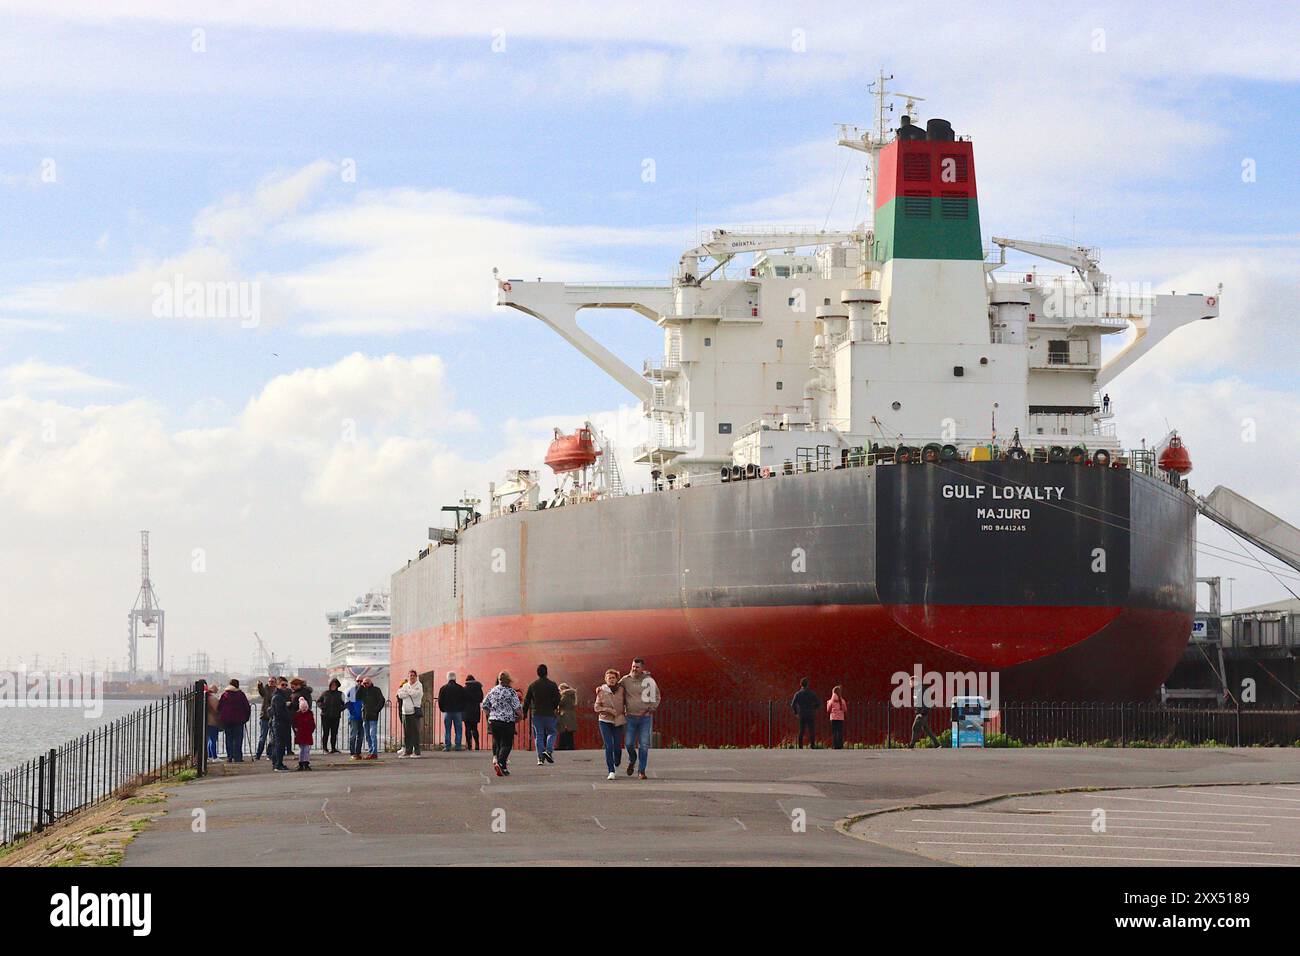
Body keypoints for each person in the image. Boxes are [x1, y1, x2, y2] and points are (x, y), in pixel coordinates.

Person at [618, 658, 659, 779]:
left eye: (637, 667)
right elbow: (615, 688)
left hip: (645, 718)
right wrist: (602, 688)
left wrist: (652, 707)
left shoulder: (649, 681)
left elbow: (656, 696)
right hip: (630, 717)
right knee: (629, 744)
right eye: (633, 666)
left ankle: (641, 771)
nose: (634, 669)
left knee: (644, 745)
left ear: (642, 668)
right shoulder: (626, 680)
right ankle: (632, 759)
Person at [481, 671, 523, 776]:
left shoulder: (493, 690)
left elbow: (484, 705)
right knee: (506, 744)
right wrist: (520, 717)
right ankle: (500, 762)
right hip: (507, 721)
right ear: (508, 680)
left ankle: (503, 767)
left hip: (494, 720)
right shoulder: (511, 692)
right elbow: (517, 708)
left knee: (498, 741)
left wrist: (490, 715)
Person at [522, 664, 561, 765]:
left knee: (539, 735)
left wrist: (524, 713)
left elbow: (526, 700)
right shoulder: (552, 685)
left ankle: (540, 759)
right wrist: (553, 707)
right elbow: (558, 698)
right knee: (552, 732)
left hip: (536, 714)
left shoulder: (533, 685)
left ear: (537, 673)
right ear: (546, 672)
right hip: (549, 713)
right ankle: (548, 751)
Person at [594, 670, 626, 780]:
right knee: (609, 745)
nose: (611, 680)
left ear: (617, 679)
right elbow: (596, 707)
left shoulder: (622, 689)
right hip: (604, 721)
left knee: (617, 745)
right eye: (609, 678)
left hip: (618, 720)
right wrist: (608, 710)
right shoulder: (601, 691)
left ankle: (617, 761)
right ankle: (611, 770)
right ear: (605, 679)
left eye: (613, 678)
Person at [217, 678, 252, 762]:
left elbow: (219, 707)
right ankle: (238, 757)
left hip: (227, 720)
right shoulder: (241, 695)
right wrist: (246, 718)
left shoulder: (225, 694)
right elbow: (247, 707)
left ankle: (230, 756)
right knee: (238, 739)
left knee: (228, 738)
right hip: (239, 720)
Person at [908, 674, 941, 749]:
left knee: (915, 728)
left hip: (922, 713)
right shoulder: (917, 689)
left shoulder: (921, 689)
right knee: (926, 729)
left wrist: (920, 713)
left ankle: (911, 745)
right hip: (921, 713)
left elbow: (925, 702)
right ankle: (937, 744)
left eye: (910, 682)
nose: (910, 684)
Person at [396, 670, 424, 758]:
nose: (411, 677)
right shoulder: (405, 685)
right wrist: (408, 692)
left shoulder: (419, 685)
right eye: (410, 676)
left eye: (413, 676)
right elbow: (399, 694)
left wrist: (407, 692)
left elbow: (416, 694)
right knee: (406, 733)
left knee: (415, 732)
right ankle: (407, 750)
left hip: (414, 712)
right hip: (405, 712)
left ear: (416, 676)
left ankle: (417, 751)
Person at [437, 672, 467, 752]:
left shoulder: (443, 688)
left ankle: (447, 746)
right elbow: (464, 700)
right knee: (458, 729)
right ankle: (458, 746)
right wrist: (462, 709)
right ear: (455, 678)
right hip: (458, 712)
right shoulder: (460, 688)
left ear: (448, 678)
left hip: (447, 711)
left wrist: (442, 709)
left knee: (447, 729)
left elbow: (440, 700)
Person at [269, 678, 293, 772]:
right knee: (279, 744)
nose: (285, 687)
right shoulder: (278, 697)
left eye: (286, 685)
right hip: (279, 723)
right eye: (283, 685)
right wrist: (288, 717)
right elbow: (279, 712)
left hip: (280, 723)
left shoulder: (280, 696)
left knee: (279, 744)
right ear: (278, 685)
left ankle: (278, 763)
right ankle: (277, 764)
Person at [791, 678, 820, 749]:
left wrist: (796, 712)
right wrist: (814, 708)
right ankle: (812, 745)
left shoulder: (798, 694)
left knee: (801, 731)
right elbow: (818, 703)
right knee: (811, 730)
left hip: (802, 714)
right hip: (810, 713)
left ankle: (800, 746)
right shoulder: (811, 693)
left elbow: (793, 704)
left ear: (801, 684)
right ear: (807, 684)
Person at [360, 677, 385, 759]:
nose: (365, 684)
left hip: (373, 716)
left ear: (371, 682)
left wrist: (376, 710)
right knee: (367, 735)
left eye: (367, 683)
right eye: (364, 683)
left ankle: (374, 753)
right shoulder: (362, 690)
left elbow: (382, 700)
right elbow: (356, 697)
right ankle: (371, 751)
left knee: (372, 735)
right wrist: (361, 686)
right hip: (365, 716)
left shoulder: (376, 690)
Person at [318, 679, 344, 753]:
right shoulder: (325, 693)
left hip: (336, 716)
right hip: (325, 716)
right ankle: (325, 748)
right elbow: (319, 701)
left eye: (335, 685)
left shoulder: (340, 694)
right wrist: (322, 707)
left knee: (334, 733)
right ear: (330, 685)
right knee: (326, 732)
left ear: (337, 686)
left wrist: (340, 709)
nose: (333, 686)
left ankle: (333, 748)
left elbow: (345, 703)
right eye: (332, 685)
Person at [253, 677, 275, 760]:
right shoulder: (265, 690)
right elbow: (261, 692)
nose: (271, 683)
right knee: (263, 737)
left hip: (273, 717)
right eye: (270, 681)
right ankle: (258, 755)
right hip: (264, 717)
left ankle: (270, 754)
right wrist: (259, 685)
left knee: (272, 737)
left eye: (272, 681)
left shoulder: (277, 691)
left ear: (275, 682)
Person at [292, 697, 316, 770]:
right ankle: (301, 762)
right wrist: (296, 730)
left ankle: (306, 762)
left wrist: (310, 731)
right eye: (302, 707)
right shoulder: (297, 714)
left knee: (306, 749)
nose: (304, 709)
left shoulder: (309, 714)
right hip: (300, 734)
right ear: (300, 707)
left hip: (307, 734)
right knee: (302, 749)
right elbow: (294, 724)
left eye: (305, 707)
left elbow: (312, 725)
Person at [461, 674, 484, 751]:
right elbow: (481, 699)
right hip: (475, 710)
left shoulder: (464, 689)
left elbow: (462, 699)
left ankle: (469, 745)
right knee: (475, 728)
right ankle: (477, 744)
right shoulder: (478, 688)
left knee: (467, 728)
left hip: (466, 710)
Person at [345, 681, 365, 759]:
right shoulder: (352, 691)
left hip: (363, 717)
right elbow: (348, 703)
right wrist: (353, 712)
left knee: (361, 736)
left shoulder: (364, 691)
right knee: (353, 735)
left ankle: (358, 753)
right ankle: (352, 753)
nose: (359, 682)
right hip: (353, 717)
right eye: (358, 681)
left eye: (361, 681)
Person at [556, 683, 578, 751]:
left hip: (565, 714)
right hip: (570, 714)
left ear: (562, 689)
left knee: (564, 731)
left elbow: (560, 703)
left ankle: (562, 746)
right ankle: (569, 746)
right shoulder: (571, 695)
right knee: (568, 731)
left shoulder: (565, 695)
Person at [826, 685, 848, 750]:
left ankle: (835, 745)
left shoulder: (831, 701)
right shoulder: (842, 701)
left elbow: (828, 709)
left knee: (834, 732)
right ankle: (840, 745)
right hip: (840, 718)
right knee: (840, 732)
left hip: (833, 718)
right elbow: (845, 710)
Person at [204, 681, 221, 759]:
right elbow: (217, 710)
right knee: (213, 739)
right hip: (213, 721)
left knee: (209, 739)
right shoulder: (214, 698)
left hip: (207, 721)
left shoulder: (206, 697)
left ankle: (210, 756)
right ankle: (214, 756)